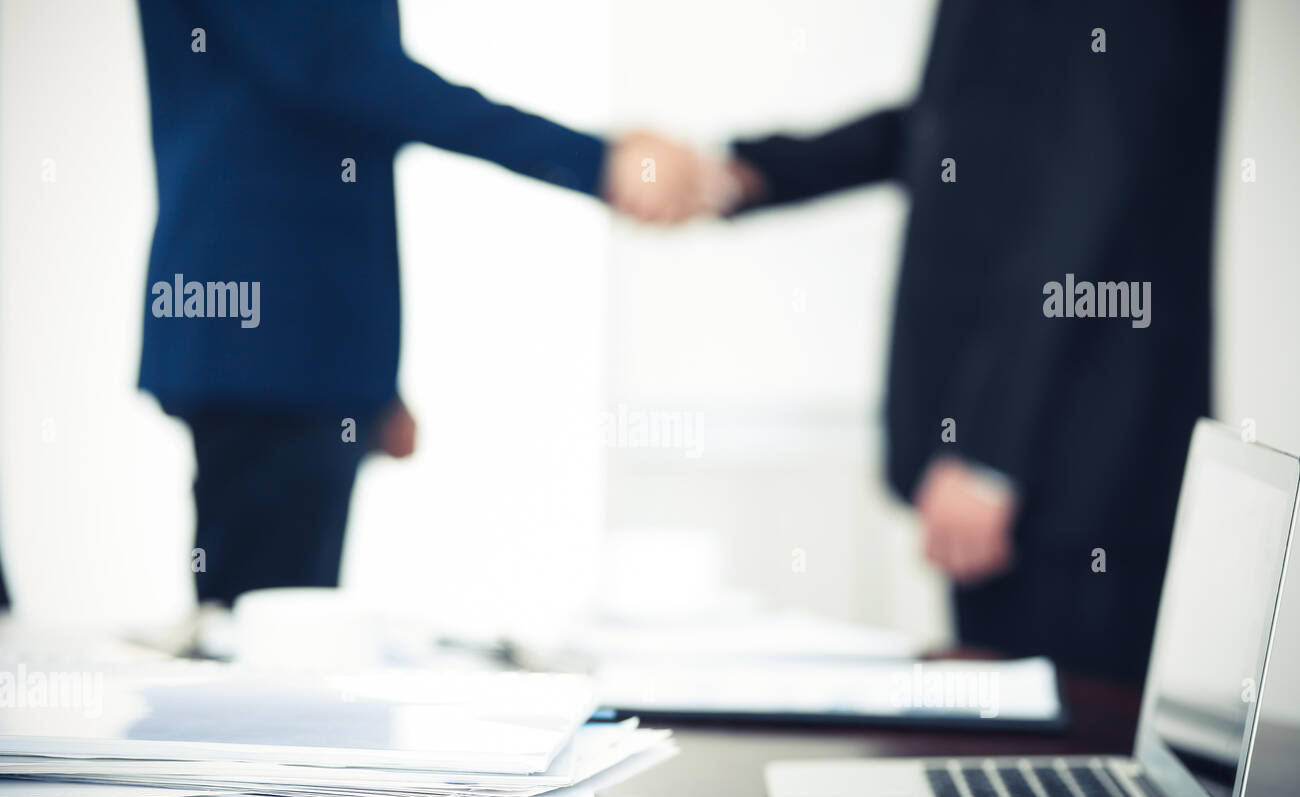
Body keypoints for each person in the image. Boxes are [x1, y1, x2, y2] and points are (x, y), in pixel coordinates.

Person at [136, 0, 717, 606]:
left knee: (281, 632)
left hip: (300, 346)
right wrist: (597, 161)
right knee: (263, 646)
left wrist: (366, 376)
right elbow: (342, 70)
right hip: (264, 334)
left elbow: (330, 110)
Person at [722, 0, 1230, 680]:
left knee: (1073, 758)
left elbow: (1093, 177)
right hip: (1025, 464)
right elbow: (970, 124)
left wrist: (991, 451)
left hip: (1071, 464)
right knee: (1013, 753)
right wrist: (751, 173)